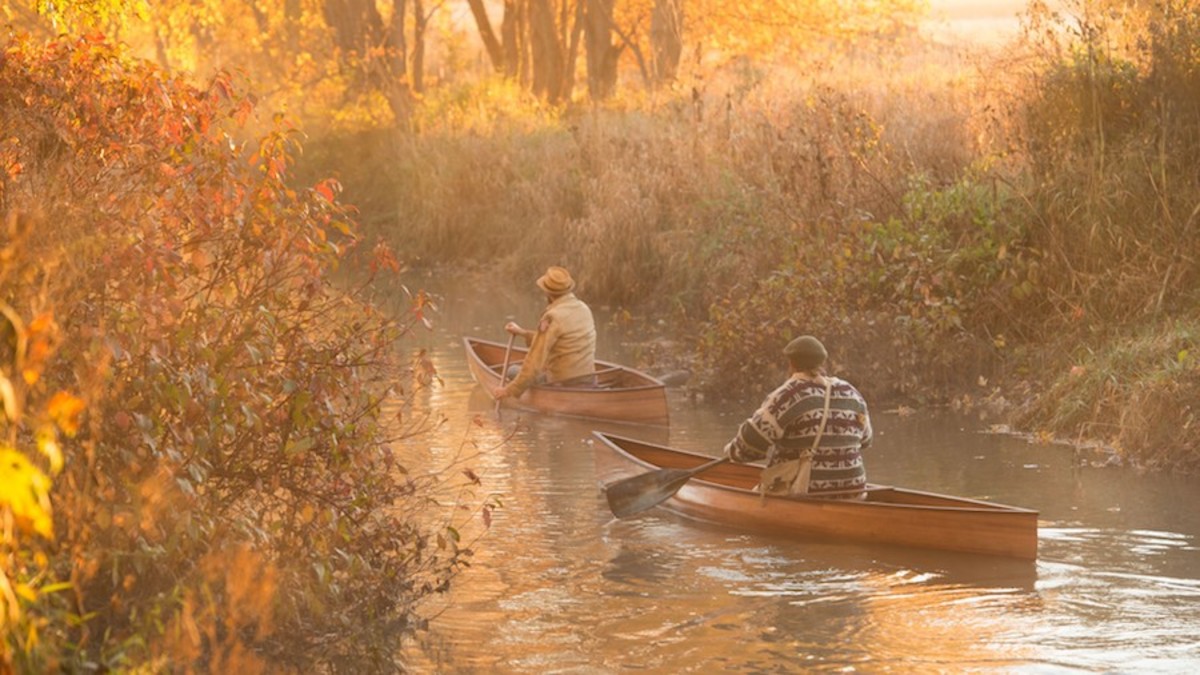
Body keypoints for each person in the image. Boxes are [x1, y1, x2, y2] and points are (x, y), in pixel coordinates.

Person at [723, 335, 873, 499]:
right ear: (823, 362)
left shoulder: (788, 395)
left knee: (757, 494)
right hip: (854, 493)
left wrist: (732, 452)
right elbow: (866, 440)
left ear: (791, 363)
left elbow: (750, 445)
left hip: (804, 492)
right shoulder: (851, 393)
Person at [492, 266, 596, 400]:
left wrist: (508, 390)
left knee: (511, 370)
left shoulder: (552, 316)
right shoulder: (583, 308)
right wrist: (522, 332)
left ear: (547, 292)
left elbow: (534, 361)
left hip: (562, 383)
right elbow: (563, 340)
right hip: (588, 378)